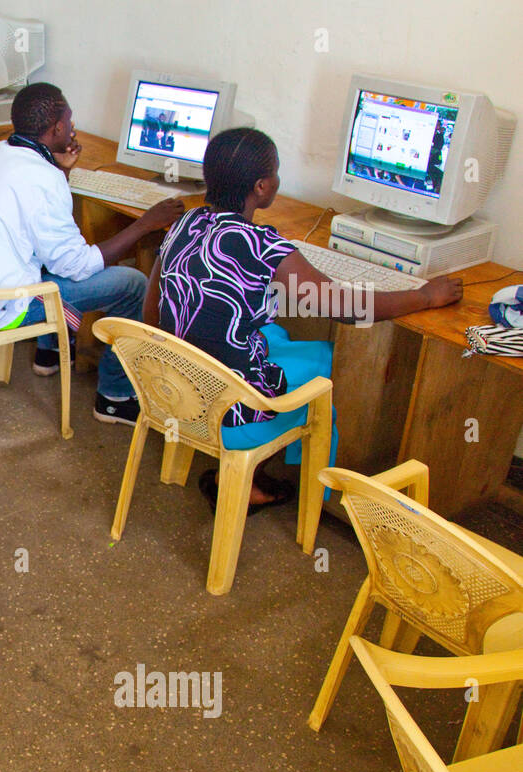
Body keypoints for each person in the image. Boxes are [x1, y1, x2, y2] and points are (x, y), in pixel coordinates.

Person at [142, 126, 462, 510]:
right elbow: (346, 308)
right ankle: (291, 486)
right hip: (231, 412)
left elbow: (153, 308)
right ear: (262, 187)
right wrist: (425, 295)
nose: (278, 180)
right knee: (330, 358)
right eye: (275, 172)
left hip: (176, 391)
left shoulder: (184, 223)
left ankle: (259, 468)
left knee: (274, 333)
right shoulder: (263, 246)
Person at [0, 81, 184, 425]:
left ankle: (49, 351)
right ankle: (113, 396)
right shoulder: (41, 177)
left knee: (47, 260)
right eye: (69, 122)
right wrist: (146, 224)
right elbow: (77, 266)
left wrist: (63, 171)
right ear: (56, 129)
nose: (72, 128)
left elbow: (39, 224)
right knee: (133, 283)